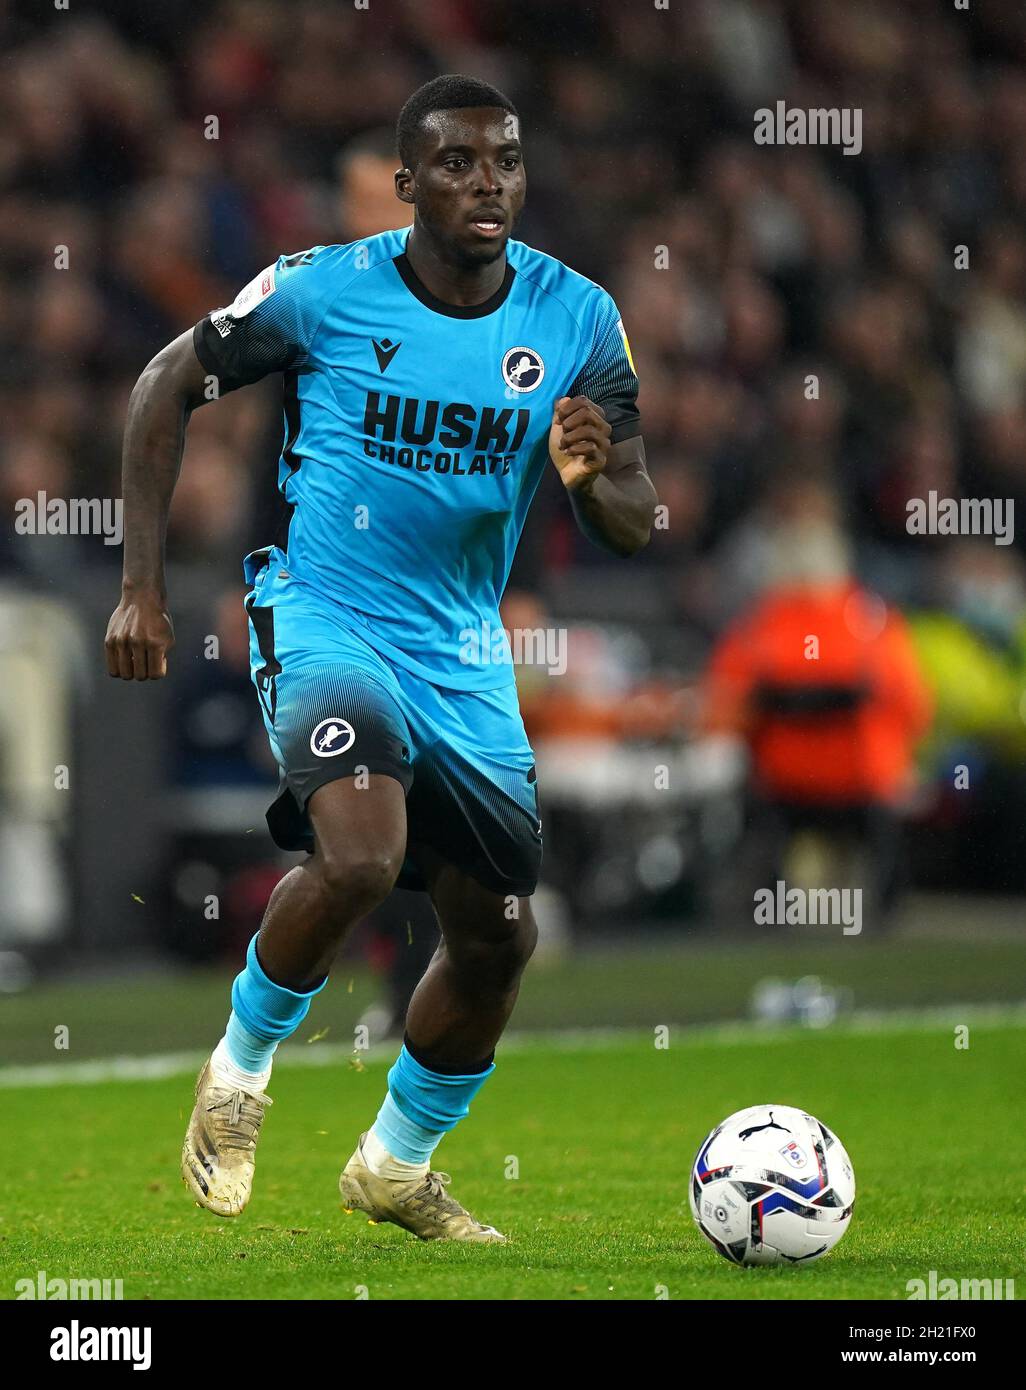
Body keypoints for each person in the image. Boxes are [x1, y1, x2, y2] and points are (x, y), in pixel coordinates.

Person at [104, 74, 656, 1243]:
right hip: (324, 612)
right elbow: (164, 383)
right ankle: (240, 1074)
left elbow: (635, 511)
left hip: (460, 651)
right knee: (359, 854)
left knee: (501, 933)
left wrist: (596, 481)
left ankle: (396, 1166)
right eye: (456, 164)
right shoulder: (322, 291)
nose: (487, 184)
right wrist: (141, 586)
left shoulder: (577, 316)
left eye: (504, 162)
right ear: (405, 187)